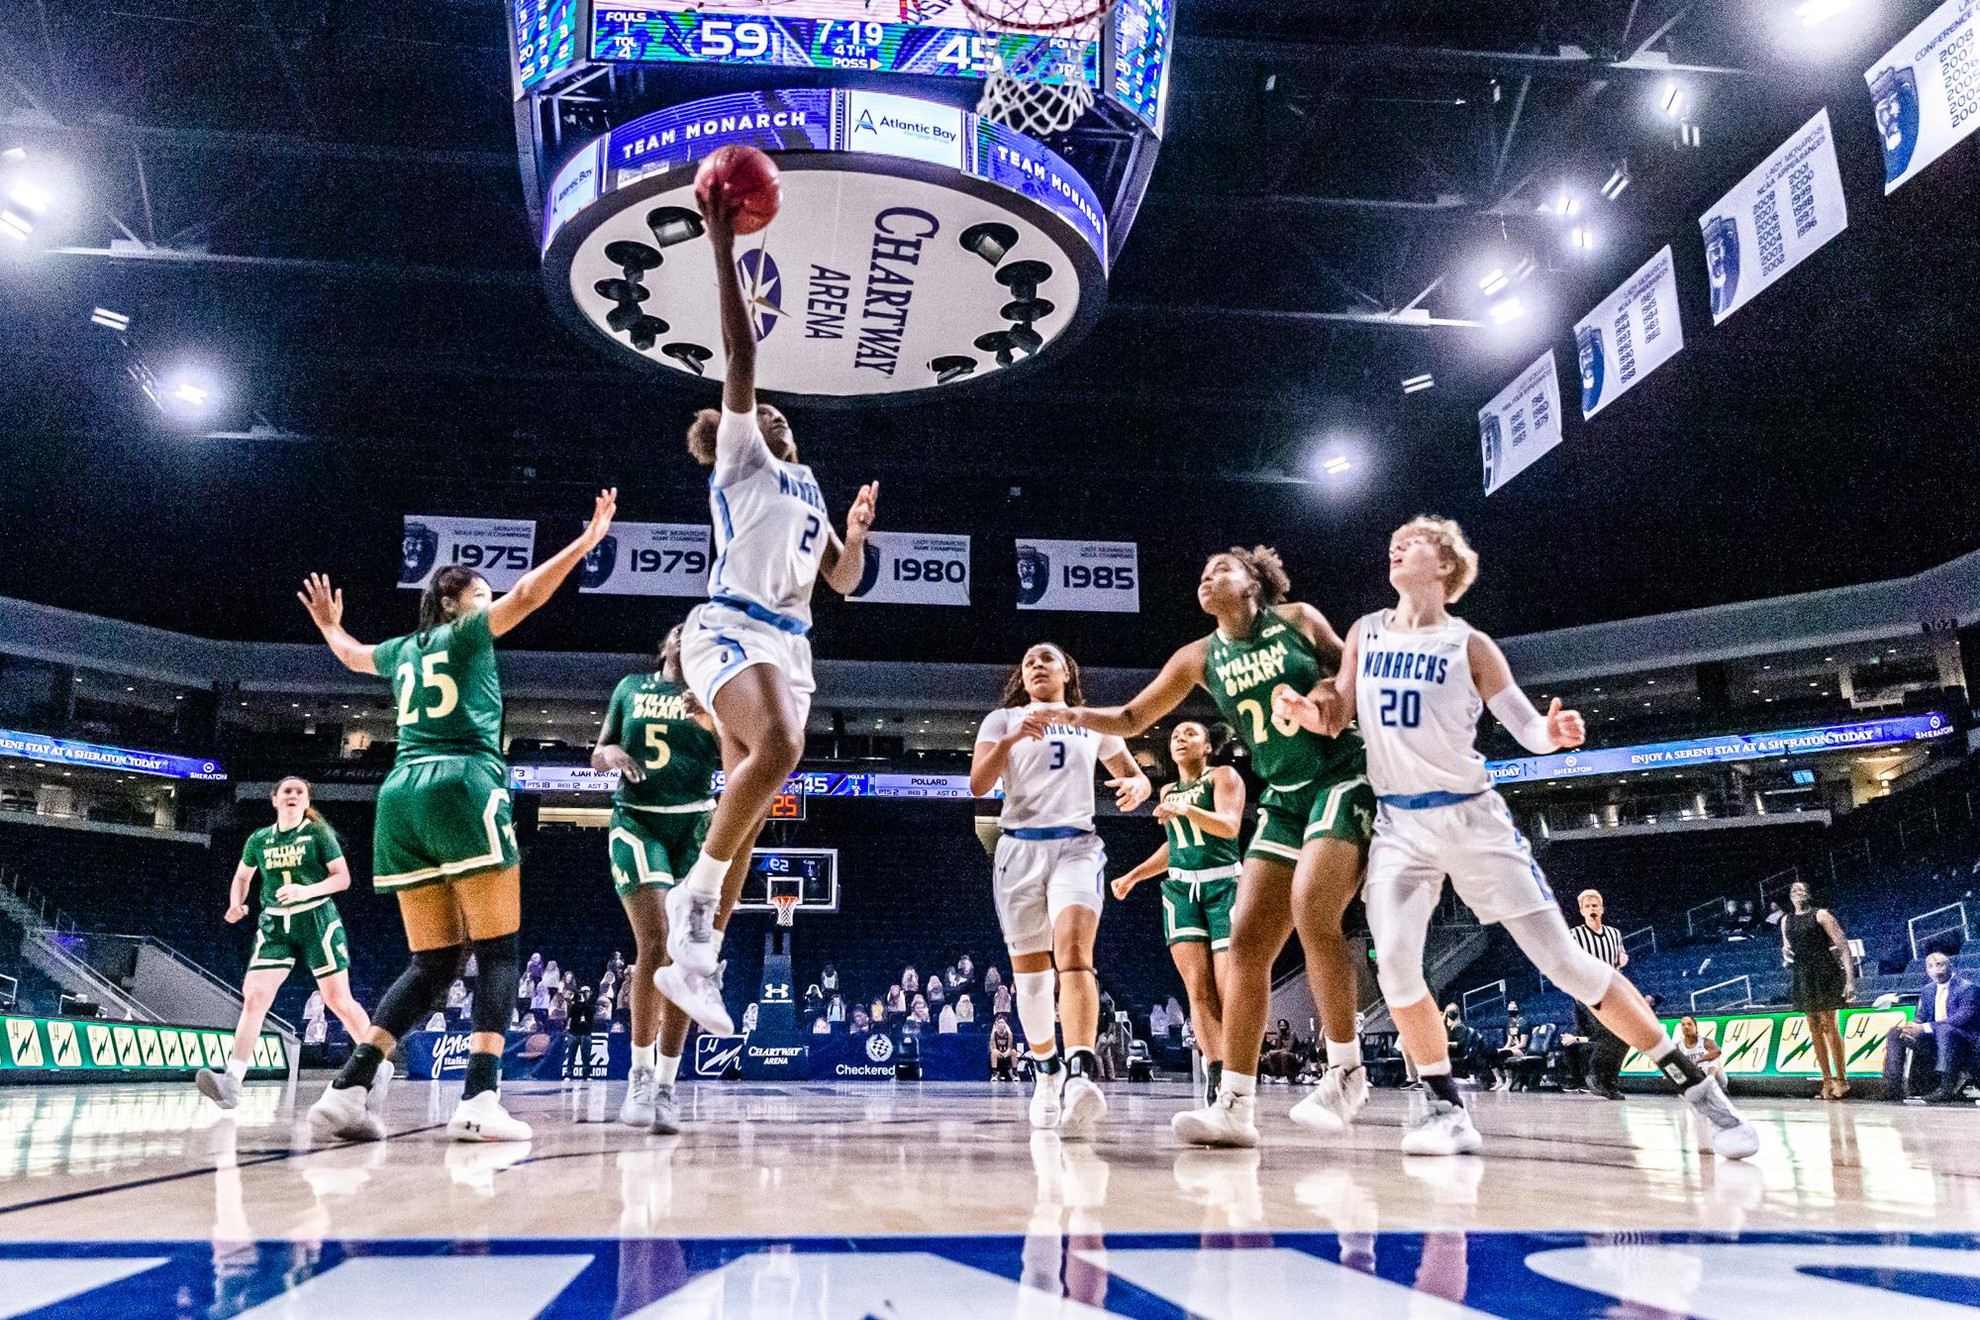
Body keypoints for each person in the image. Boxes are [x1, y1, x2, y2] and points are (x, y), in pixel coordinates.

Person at [1277, 516, 1756, 1158]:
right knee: (1393, 962)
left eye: (1413, 540)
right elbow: (1336, 712)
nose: (1397, 545)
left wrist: (1552, 737)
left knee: (1567, 965)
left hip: (1472, 820)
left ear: (1446, 565)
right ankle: (1445, 1109)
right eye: (1394, 541)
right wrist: (1307, 711)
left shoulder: (1471, 646)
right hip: (1399, 825)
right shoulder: (1364, 631)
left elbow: (1525, 727)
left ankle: (1700, 1092)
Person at [296, 486, 617, 1143]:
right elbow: (528, 595)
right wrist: (585, 543)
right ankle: (479, 1098)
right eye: (479, 590)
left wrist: (330, 625)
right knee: (501, 952)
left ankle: (349, 1088)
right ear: (451, 601)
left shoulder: (402, 651)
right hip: (462, 784)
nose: (489, 597)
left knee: (435, 963)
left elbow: (354, 657)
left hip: (400, 795)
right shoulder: (466, 634)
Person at [1053, 547, 1373, 1147]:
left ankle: (1346, 1070)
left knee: (1312, 910)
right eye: (1201, 572)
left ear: (1255, 582)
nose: (1206, 576)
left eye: (1220, 568)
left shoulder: (1299, 620)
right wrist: (1069, 715)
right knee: (1249, 942)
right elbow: (1128, 716)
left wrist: (1326, 700)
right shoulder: (1197, 656)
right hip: (1281, 795)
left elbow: (1351, 674)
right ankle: (1235, 1105)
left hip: (1341, 775)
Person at [663, 178, 879, 1014]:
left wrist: (853, 535)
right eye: (764, 414)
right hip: (726, 628)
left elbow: (842, 582)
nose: (777, 417)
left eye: (782, 416)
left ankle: (701, 957)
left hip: (791, 641)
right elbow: (742, 355)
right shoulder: (742, 458)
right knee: (782, 750)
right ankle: (692, 899)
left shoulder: (809, 483)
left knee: (752, 811)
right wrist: (723, 245)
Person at [971, 642, 1152, 1139]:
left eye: (1046, 658)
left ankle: (1078, 1072)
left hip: (1076, 847)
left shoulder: (1091, 720)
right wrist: (1010, 742)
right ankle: (1046, 1069)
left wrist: (1139, 787)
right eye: (1028, 659)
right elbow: (978, 785)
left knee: (1074, 955)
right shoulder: (1001, 720)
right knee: (1031, 981)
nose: (1035, 664)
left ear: (1067, 673)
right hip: (1017, 851)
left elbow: (1133, 777)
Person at [593, 623, 724, 1134]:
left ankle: (668, 1085)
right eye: (677, 629)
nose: (684, 634)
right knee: (655, 945)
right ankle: (640, 1076)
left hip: (695, 821)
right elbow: (599, 750)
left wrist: (712, 721)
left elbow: (737, 751)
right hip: (637, 819)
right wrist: (612, 756)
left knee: (688, 955)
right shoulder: (629, 687)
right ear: (666, 644)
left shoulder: (714, 690)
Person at [198, 777, 375, 1110]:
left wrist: (304, 891)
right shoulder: (259, 839)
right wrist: (236, 903)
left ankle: (375, 1062)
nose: (293, 795)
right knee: (255, 998)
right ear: (274, 799)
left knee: (338, 1000)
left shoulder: (318, 834)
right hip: (275, 923)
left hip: (316, 918)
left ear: (306, 801)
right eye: (287, 791)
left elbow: (342, 878)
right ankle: (231, 1081)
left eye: (299, 792)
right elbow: (242, 877)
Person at [1110, 720, 1244, 1105]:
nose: (1180, 739)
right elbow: (1175, 848)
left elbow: (1230, 827)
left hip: (1223, 886)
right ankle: (1216, 1072)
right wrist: (1134, 876)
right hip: (1181, 889)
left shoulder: (1223, 776)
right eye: (1174, 736)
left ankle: (1239, 1068)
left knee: (1227, 988)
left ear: (1207, 747)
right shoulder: (1169, 790)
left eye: (1190, 733)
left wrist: (1186, 811)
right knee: (1197, 990)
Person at [1783, 879, 1857, 1099]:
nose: (1797, 892)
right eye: (1793, 890)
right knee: (1814, 1028)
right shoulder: (1785, 920)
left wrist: (1850, 980)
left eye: (1802, 889)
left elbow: (1844, 947)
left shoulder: (1821, 915)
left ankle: (1842, 1080)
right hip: (1803, 975)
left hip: (1825, 972)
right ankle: (1826, 1080)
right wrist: (1785, 950)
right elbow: (1787, 945)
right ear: (1790, 896)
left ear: (1808, 894)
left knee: (1830, 1027)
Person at [1885, 951, 1979, 1103]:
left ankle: (1945, 1087)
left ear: (1950, 966)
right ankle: (1892, 1088)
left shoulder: (1968, 988)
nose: (1936, 969)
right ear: (1927, 970)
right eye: (1930, 966)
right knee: (1896, 1032)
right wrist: (1913, 1027)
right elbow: (1921, 1017)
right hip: (1934, 1040)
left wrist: (1925, 1028)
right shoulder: (1927, 990)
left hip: (1964, 1042)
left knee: (1945, 1030)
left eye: (1940, 965)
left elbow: (1961, 1019)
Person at [1571, 889, 1630, 1100]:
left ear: (1602, 908)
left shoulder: (1614, 933)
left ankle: (1610, 1081)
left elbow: (1620, 954)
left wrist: (1623, 957)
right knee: (1607, 1032)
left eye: (1595, 905)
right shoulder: (1575, 934)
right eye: (1587, 906)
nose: (1591, 909)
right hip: (1588, 993)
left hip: (1612, 990)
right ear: (1581, 911)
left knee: (1626, 1035)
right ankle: (1594, 1074)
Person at [1679, 1015, 1725, 1087]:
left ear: (1696, 1027)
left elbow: (1717, 1052)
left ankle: (1710, 1080)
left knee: (1714, 1059)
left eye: (1689, 1024)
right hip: (1697, 1079)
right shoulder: (1678, 1045)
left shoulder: (1706, 1042)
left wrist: (1698, 1061)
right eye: (1683, 1025)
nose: (1686, 1027)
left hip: (1716, 1079)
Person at [564, 984, 596, 1080]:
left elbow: (590, 1011)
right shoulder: (575, 1004)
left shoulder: (591, 1004)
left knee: (586, 1056)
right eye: (583, 992)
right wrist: (577, 1001)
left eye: (587, 992)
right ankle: (569, 1074)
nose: (585, 994)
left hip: (585, 1033)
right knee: (571, 1055)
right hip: (574, 1032)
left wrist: (584, 1002)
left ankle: (586, 1074)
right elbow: (570, 1014)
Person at [989, 1014, 1019, 1081]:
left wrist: (1006, 1053)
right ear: (996, 1024)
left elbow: (1009, 1047)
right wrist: (1000, 1053)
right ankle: (994, 1073)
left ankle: (1015, 1073)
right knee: (994, 1052)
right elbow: (993, 1048)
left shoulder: (1009, 1034)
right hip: (998, 1053)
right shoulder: (994, 1034)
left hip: (1006, 1052)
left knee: (1013, 1052)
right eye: (999, 1023)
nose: (1001, 1024)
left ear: (1005, 1024)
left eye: (1002, 1022)